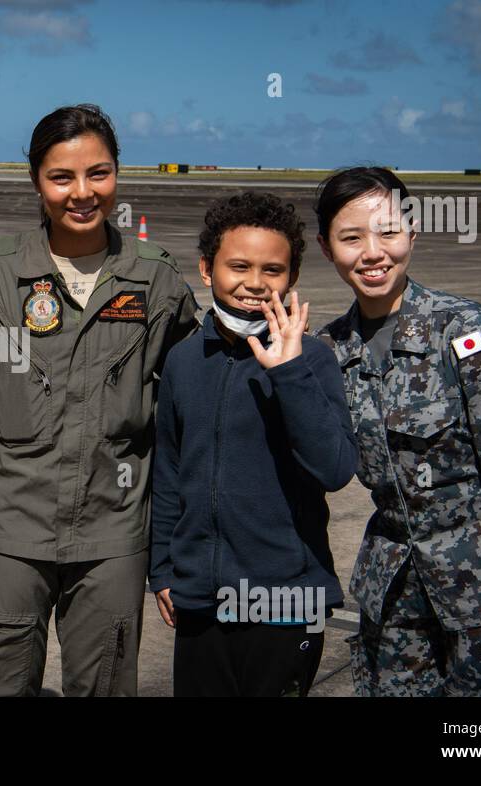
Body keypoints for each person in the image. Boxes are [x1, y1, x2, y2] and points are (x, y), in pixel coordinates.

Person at [0, 104, 199, 696]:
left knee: (106, 687)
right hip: (11, 527)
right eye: (62, 177)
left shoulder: (157, 280)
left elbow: (197, 392)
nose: (83, 192)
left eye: (100, 173)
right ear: (37, 181)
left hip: (112, 532)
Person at [313, 166, 481, 696]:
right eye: (351, 237)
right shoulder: (330, 350)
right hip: (395, 590)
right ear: (326, 247)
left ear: (412, 233)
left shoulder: (465, 330)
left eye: (387, 231)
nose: (373, 252)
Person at [149, 192, 356, 697]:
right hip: (201, 596)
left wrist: (289, 374)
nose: (255, 283)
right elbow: (170, 472)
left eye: (273, 269)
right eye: (238, 265)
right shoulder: (183, 361)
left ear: (292, 279)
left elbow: (334, 467)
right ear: (205, 269)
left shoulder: (313, 359)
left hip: (285, 600)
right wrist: (163, 569)